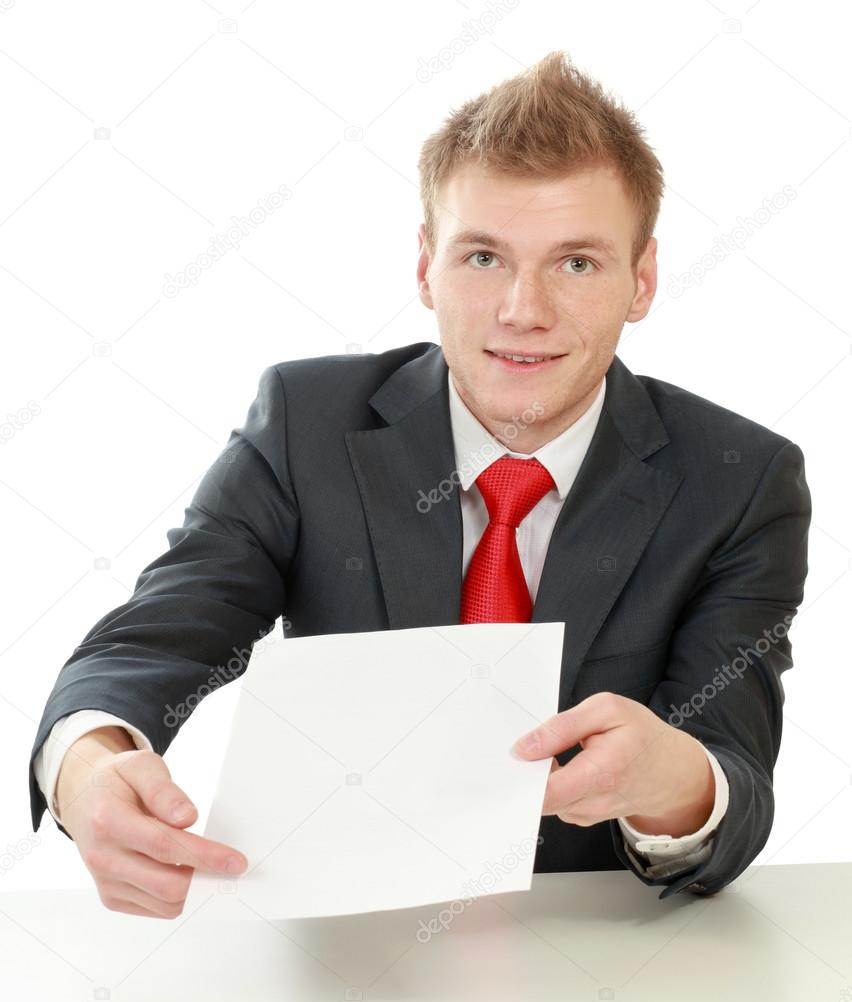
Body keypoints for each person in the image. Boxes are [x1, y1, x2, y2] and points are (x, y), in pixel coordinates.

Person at [28, 51, 811, 919]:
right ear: (424, 267)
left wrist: (675, 783)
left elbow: (733, 778)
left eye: (577, 263)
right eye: (483, 257)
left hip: (600, 952)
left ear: (644, 280)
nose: (523, 309)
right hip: (348, 945)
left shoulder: (740, 483)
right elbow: (155, 638)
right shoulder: (306, 424)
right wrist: (90, 763)